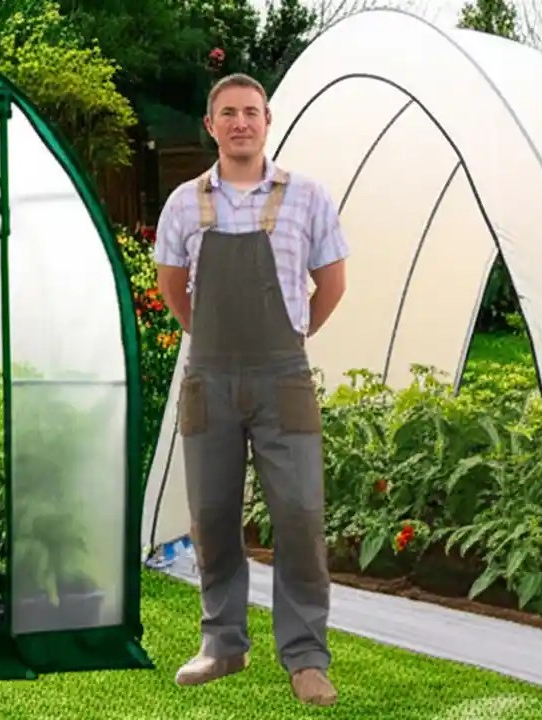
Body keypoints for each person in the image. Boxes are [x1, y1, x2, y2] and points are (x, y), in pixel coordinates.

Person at [153, 72, 348, 707]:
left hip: (282, 377)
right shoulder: (184, 203)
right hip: (208, 378)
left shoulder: (307, 197)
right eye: (229, 113)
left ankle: (306, 657)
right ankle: (222, 644)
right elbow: (172, 285)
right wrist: (210, 337)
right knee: (211, 515)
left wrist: (293, 336)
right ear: (210, 126)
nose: (241, 122)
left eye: (251, 112)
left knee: (299, 514)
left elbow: (332, 282)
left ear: (268, 121)